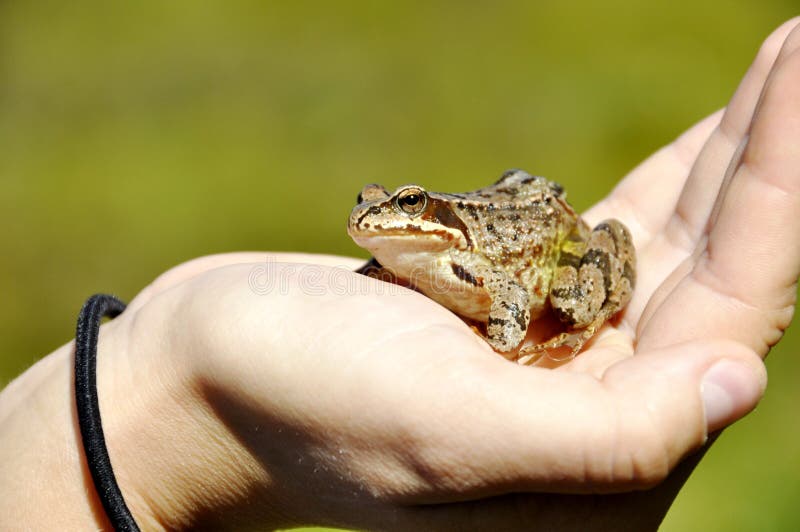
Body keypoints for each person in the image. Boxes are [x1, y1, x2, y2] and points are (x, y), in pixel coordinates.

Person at [2, 17, 799, 531]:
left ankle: (588, 313)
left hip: (544, 232)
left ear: (430, 213)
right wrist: (169, 378)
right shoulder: (394, 260)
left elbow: (512, 291)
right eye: (373, 210)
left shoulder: (458, 247)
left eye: (402, 207)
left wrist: (519, 341)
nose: (380, 222)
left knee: (567, 292)